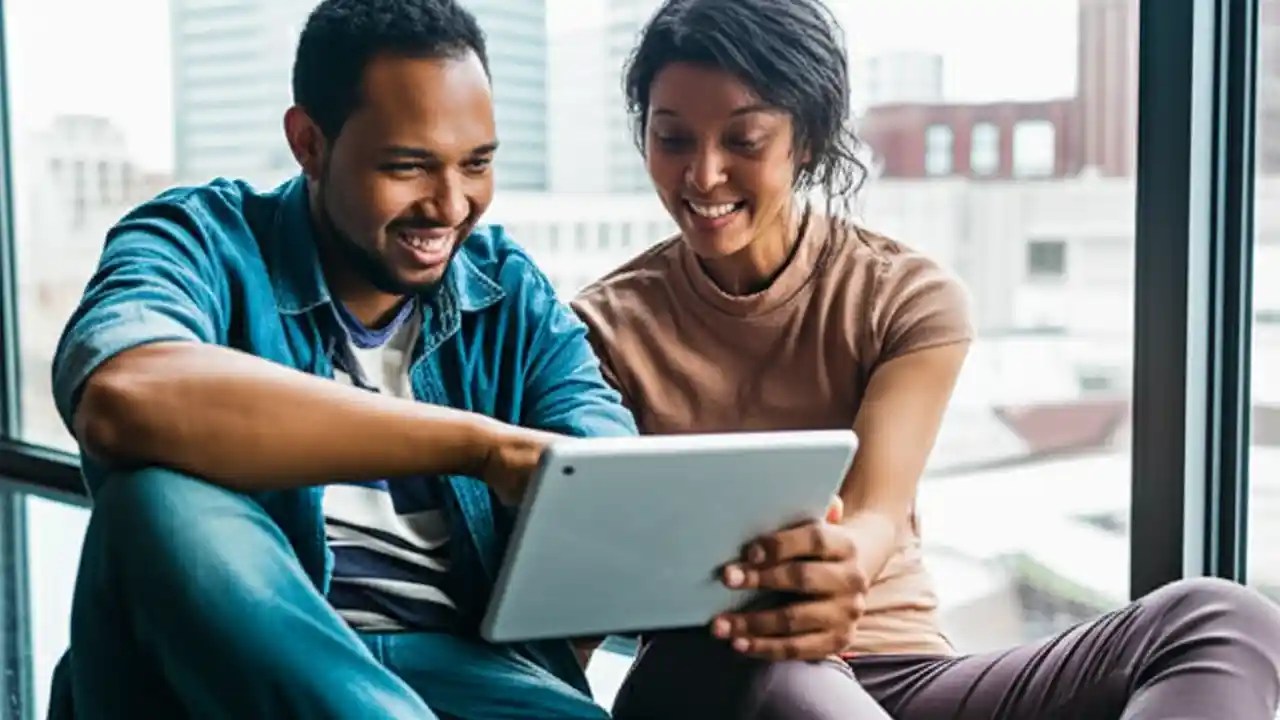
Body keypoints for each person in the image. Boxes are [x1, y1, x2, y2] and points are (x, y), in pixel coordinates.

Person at [571, 0, 1280, 718]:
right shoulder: (600, 328)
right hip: (721, 673)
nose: (704, 174)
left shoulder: (906, 296)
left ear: (807, 140)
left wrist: (843, 565)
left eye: (745, 141)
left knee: (1222, 619)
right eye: (672, 139)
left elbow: (877, 511)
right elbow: (583, 578)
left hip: (898, 675)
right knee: (774, 666)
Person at [45, 0, 636, 717]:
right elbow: (124, 394)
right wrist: (480, 448)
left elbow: (611, 479)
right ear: (309, 143)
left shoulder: (507, 290)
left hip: (468, 672)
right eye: (408, 166)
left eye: (477, 163)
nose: (450, 205)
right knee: (155, 499)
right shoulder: (200, 239)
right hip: (232, 661)